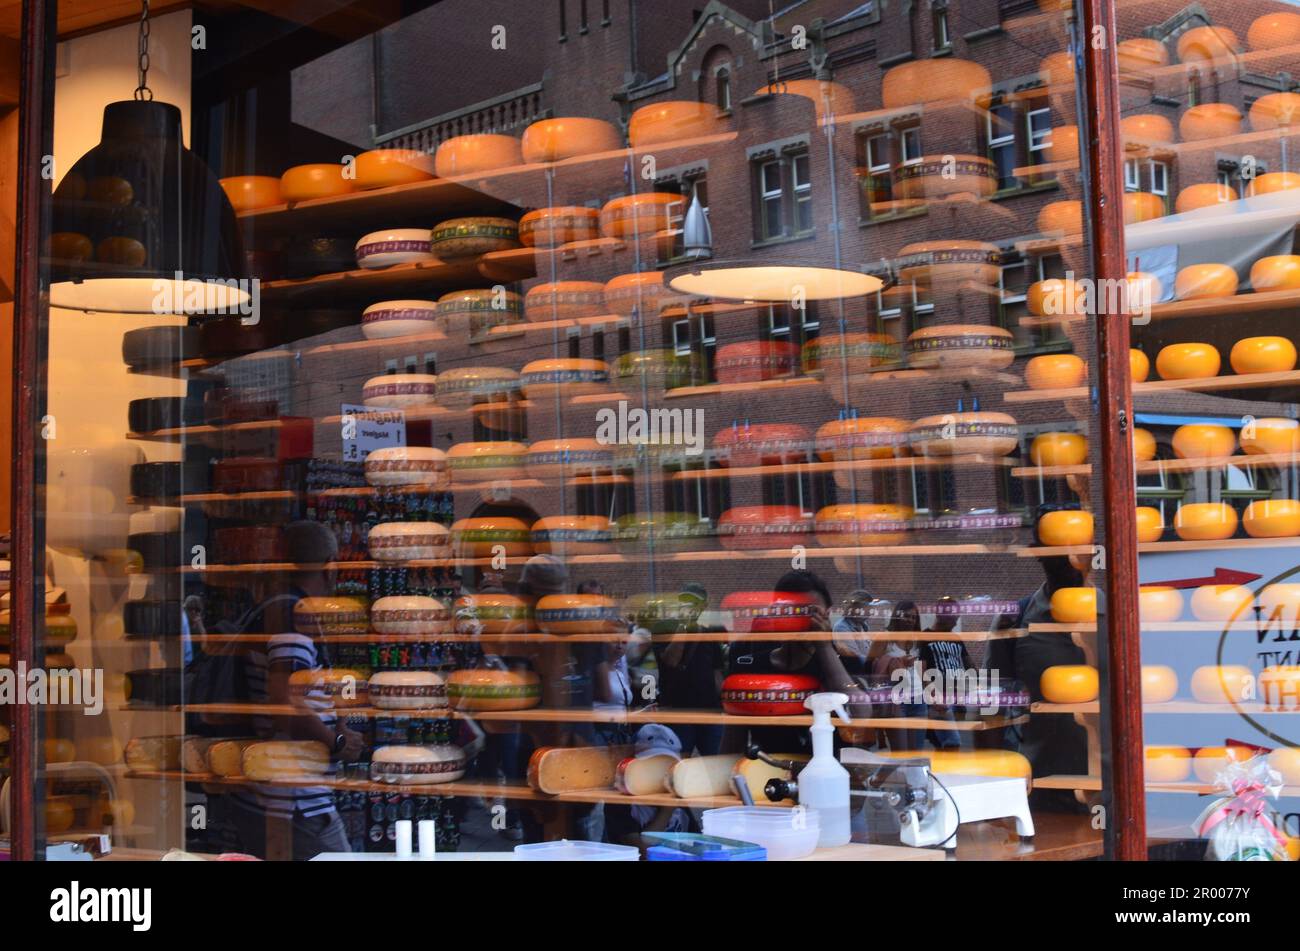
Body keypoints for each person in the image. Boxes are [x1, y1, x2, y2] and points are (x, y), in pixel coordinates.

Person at [226, 520, 362, 860]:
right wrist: (337, 742)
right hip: (295, 800)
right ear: (330, 566)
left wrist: (336, 724)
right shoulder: (292, 614)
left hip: (279, 795)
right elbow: (284, 700)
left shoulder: (277, 608)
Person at [650, 583, 725, 756]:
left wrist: (722, 705)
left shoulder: (709, 634)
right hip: (678, 710)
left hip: (709, 712)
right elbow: (671, 660)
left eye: (694, 602)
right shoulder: (663, 628)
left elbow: (716, 673)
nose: (689, 606)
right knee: (678, 762)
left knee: (714, 760)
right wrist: (683, 626)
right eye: (685, 601)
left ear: (703, 606)